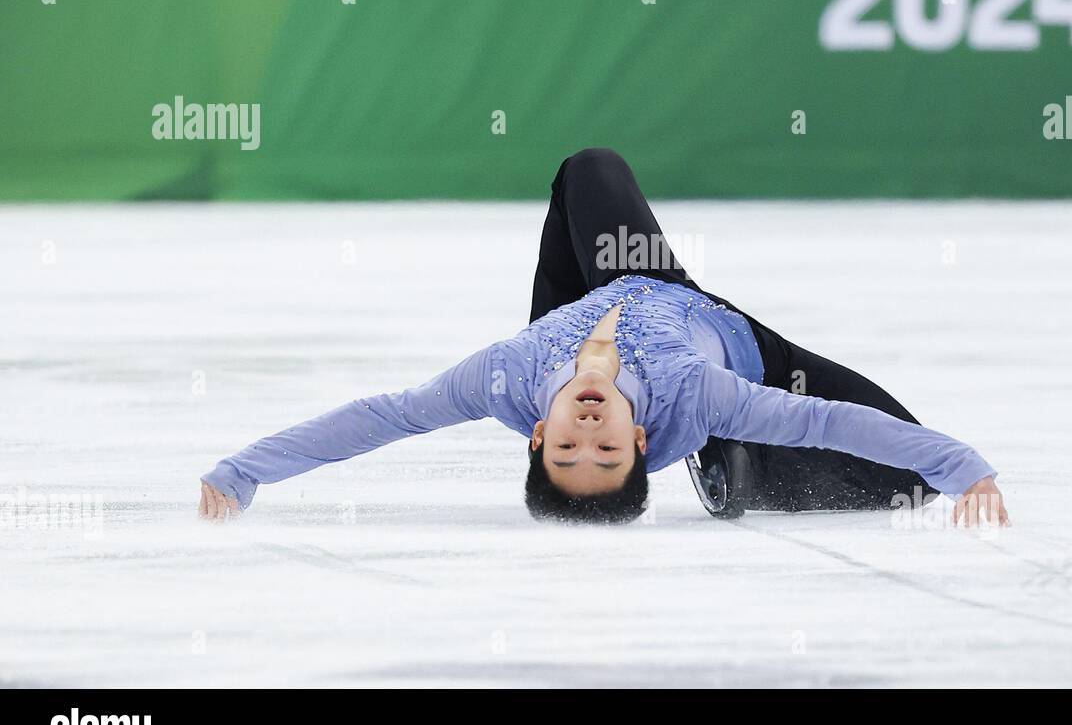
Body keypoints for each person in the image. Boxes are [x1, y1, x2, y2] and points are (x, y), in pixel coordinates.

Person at [199, 148, 1008, 527]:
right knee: (910, 477)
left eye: (567, 452)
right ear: (642, 439)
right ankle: (740, 473)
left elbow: (385, 415)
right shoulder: (700, 393)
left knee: (588, 168)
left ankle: (736, 453)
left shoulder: (505, 378)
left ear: (537, 437)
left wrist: (243, 470)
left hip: (615, 281)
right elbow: (829, 422)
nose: (588, 436)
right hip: (727, 334)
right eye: (609, 454)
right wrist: (960, 464)